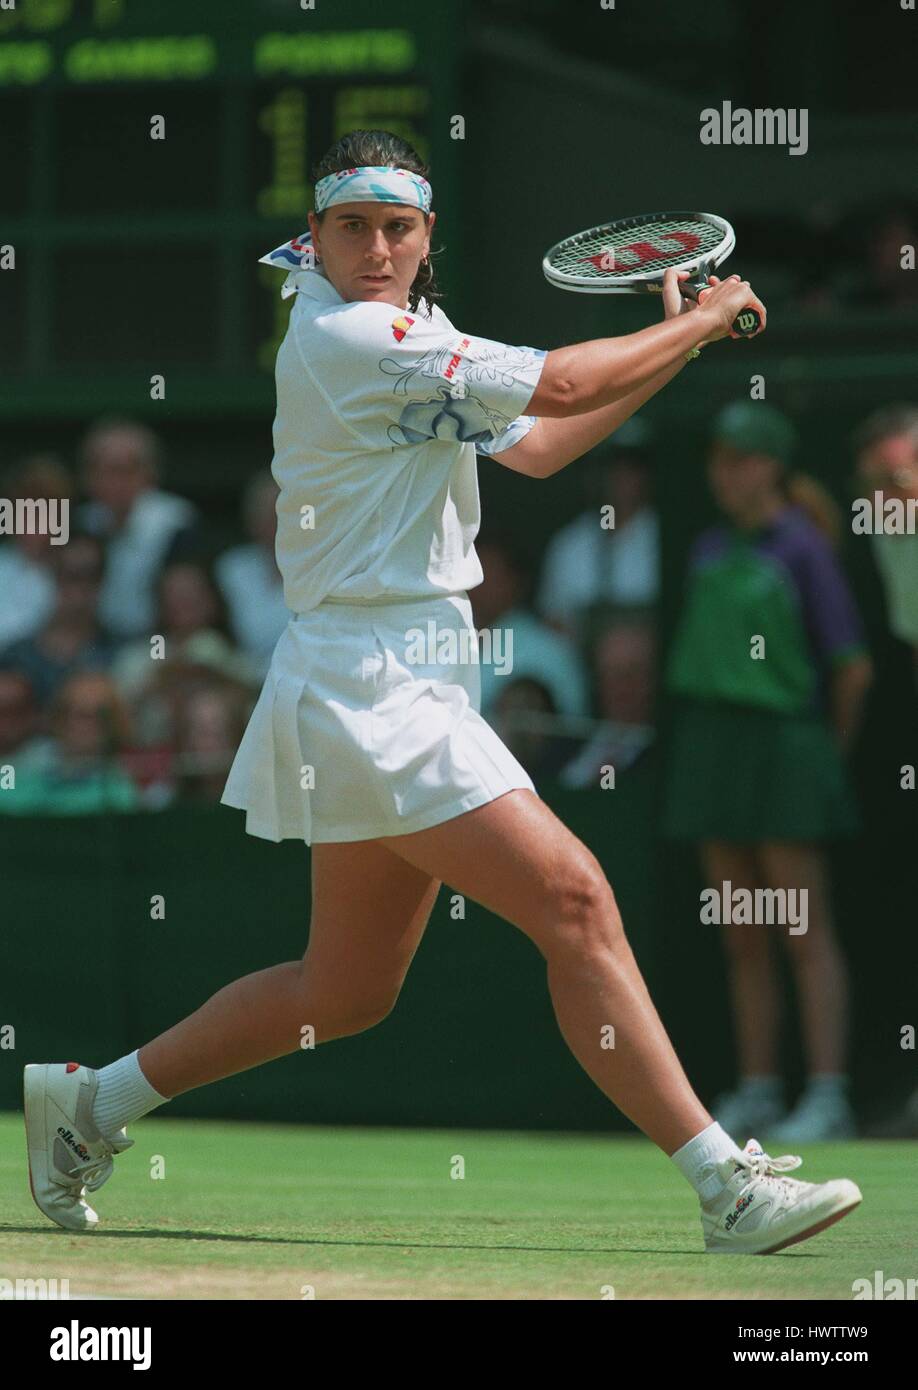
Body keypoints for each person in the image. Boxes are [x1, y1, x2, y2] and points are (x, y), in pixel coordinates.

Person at [24, 130, 862, 1255]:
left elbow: (542, 444)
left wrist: (675, 344)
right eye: (352, 227)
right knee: (574, 898)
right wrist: (701, 319)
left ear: (427, 239)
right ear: (312, 237)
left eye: (399, 228)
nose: (376, 247)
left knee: (347, 987)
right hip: (373, 682)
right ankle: (726, 1185)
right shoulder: (353, 336)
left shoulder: (417, 338)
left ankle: (90, 1103)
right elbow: (564, 378)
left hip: (398, 675)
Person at [662, 402, 873, 1142]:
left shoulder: (804, 550)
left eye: (739, 459)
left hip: (785, 749)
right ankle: (756, 1090)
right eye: (719, 459)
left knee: (800, 929)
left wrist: (818, 755)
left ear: (771, 466)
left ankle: (827, 1096)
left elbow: (852, 669)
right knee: (742, 932)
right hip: (711, 749)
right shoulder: (710, 548)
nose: (725, 473)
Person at [76, 418, 198, 639]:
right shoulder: (82, 523)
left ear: (150, 474)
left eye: (126, 470)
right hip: (95, 644)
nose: (115, 482)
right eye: (104, 471)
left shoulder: (177, 523)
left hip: (159, 641)